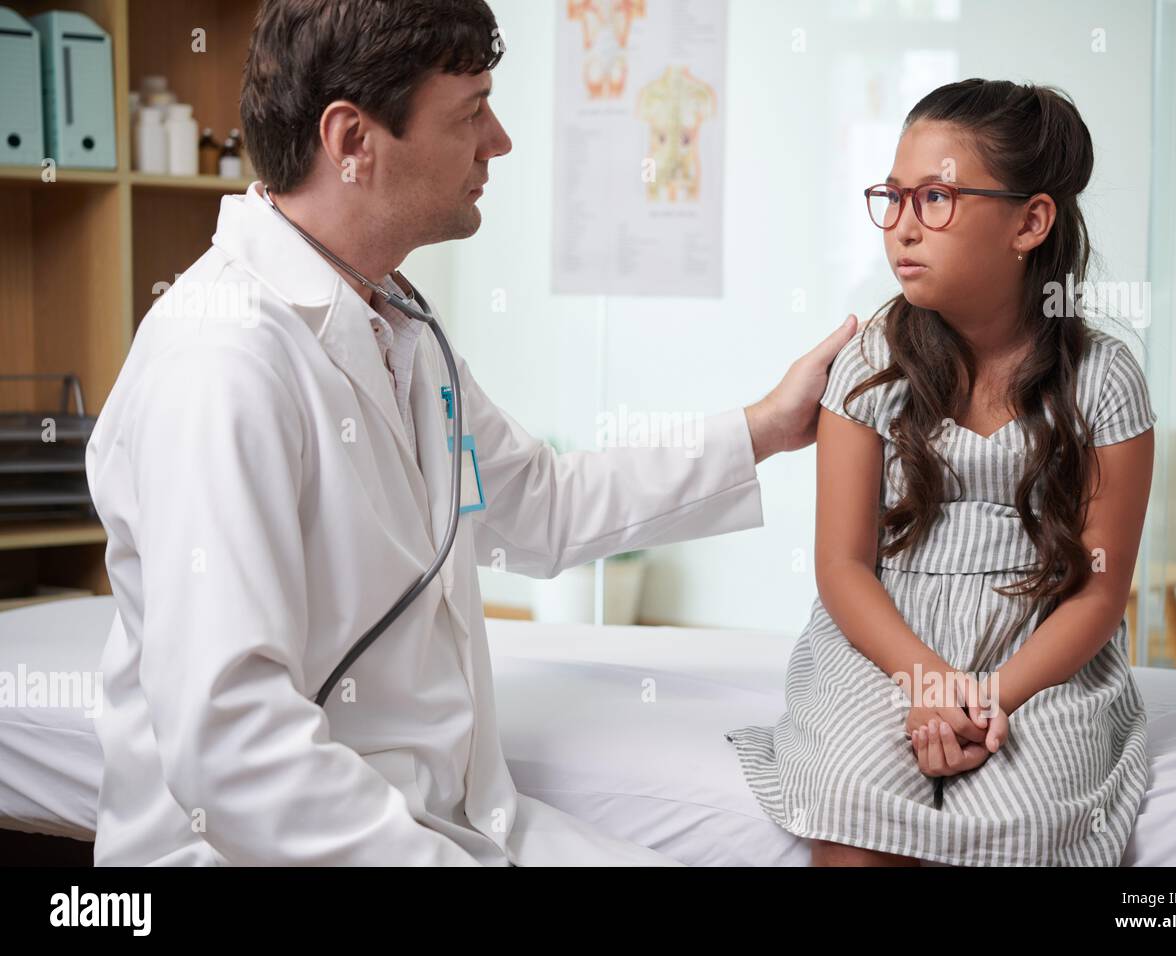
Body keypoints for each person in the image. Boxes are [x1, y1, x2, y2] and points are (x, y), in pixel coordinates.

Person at [84, 0, 856, 866]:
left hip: (452, 822)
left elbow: (542, 504)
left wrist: (764, 428)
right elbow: (234, 751)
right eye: (470, 111)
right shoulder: (223, 362)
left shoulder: (395, 317)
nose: (500, 140)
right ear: (352, 141)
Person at [726, 79, 1156, 866]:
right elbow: (841, 564)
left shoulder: (1106, 379)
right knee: (852, 799)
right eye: (891, 198)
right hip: (886, 642)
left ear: (1030, 222)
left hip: (1038, 657)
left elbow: (1099, 588)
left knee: (1028, 822)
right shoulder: (870, 366)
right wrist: (924, 680)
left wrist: (995, 697)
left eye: (935, 198)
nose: (901, 228)